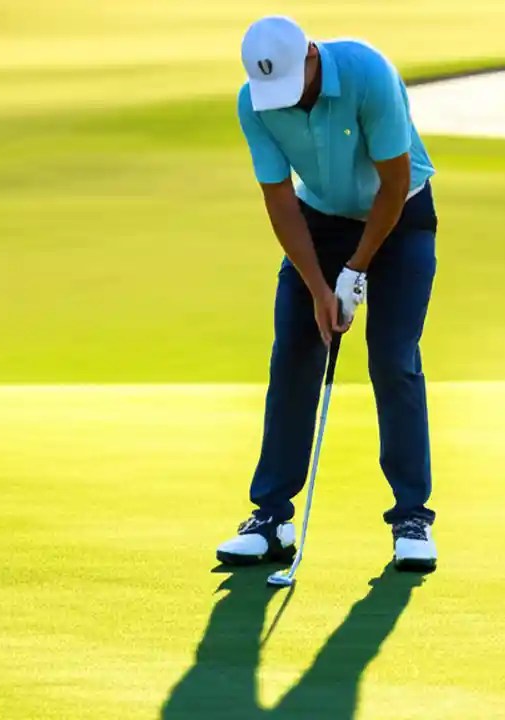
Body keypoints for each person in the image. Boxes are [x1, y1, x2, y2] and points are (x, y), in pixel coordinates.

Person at [215, 16, 439, 571]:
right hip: (319, 220)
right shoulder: (256, 102)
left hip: (400, 216)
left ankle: (412, 517)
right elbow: (280, 201)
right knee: (294, 348)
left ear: (311, 55)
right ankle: (271, 519)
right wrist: (318, 286)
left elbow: (392, 185)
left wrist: (356, 269)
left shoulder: (368, 72)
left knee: (392, 358)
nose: (285, 101)